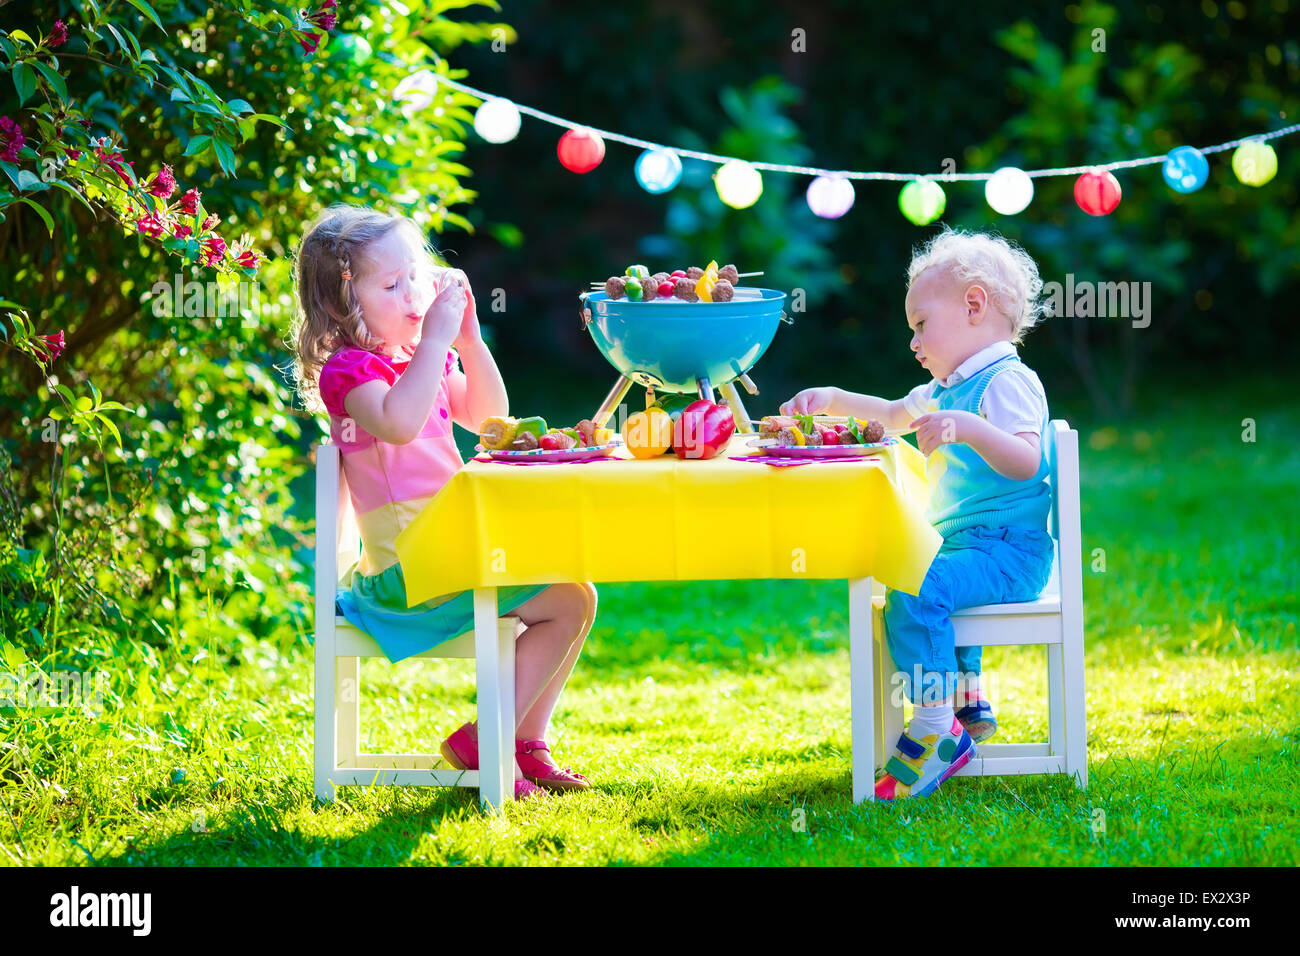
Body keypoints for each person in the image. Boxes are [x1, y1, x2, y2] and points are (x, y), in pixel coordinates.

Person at [289, 204, 596, 799]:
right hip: (408, 575)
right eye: (390, 283)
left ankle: (520, 743)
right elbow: (399, 424)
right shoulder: (351, 373)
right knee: (567, 600)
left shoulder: (423, 359)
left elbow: (487, 420)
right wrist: (433, 343)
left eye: (416, 276)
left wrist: (469, 342)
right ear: (340, 304)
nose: (412, 293)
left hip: (448, 557)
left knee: (575, 592)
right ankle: (491, 741)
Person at [781, 226, 1056, 799]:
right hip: (971, 547)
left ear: (974, 306)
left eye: (921, 325)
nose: (914, 342)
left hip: (1010, 552)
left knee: (915, 586)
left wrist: (970, 427)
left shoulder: (1005, 383)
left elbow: (1028, 462)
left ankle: (935, 729)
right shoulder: (947, 387)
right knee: (924, 569)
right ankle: (963, 698)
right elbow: (890, 413)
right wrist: (831, 398)